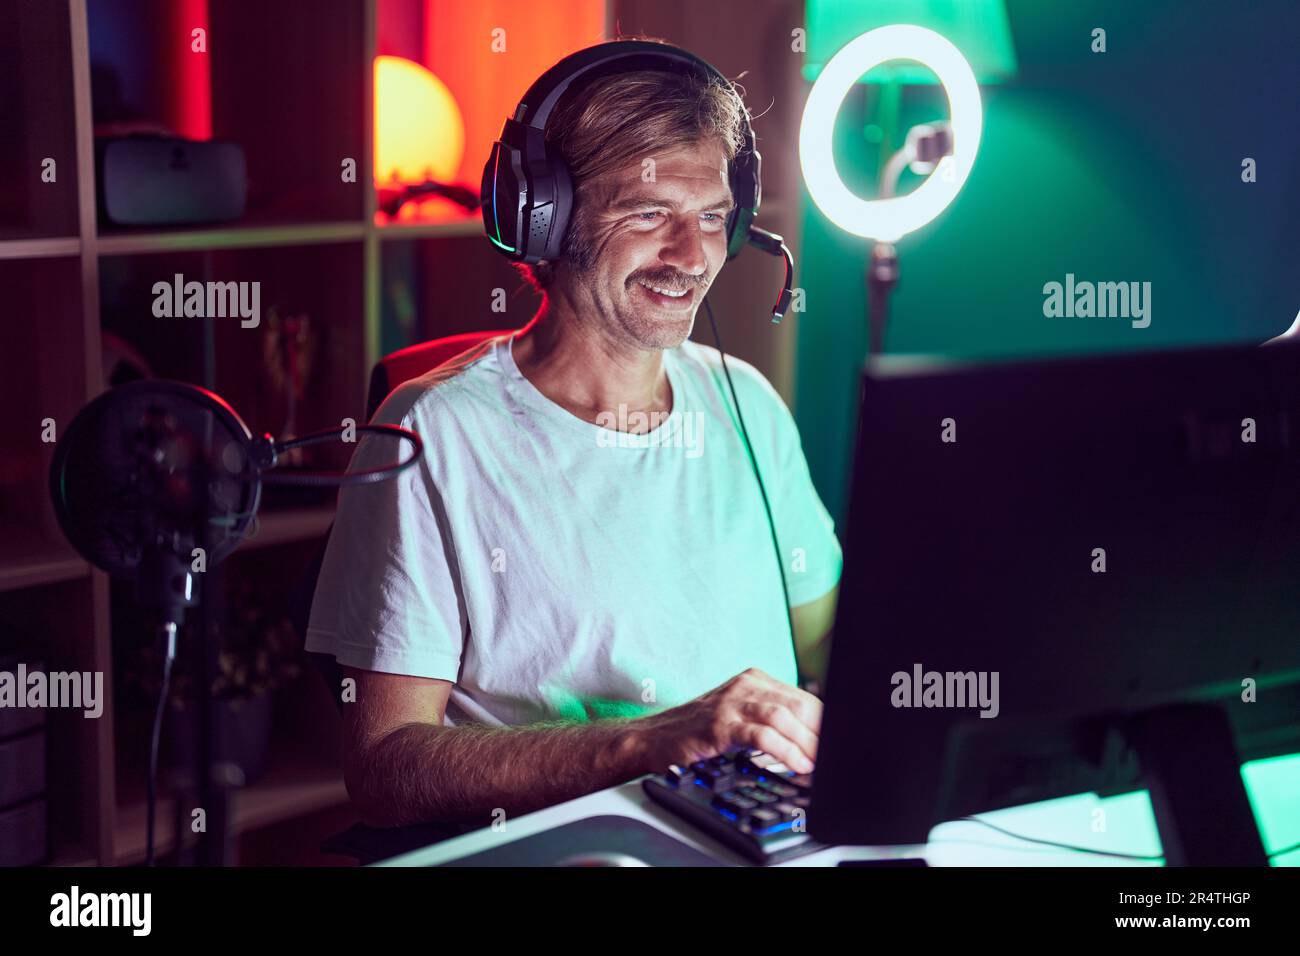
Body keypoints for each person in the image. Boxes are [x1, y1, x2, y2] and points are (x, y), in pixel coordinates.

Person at [306, 47, 842, 828]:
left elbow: (830, 649)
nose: (693, 257)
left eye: (715, 218)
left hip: (759, 838)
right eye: (650, 213)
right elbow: (385, 768)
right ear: (544, 217)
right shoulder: (428, 436)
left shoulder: (748, 404)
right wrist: (649, 742)